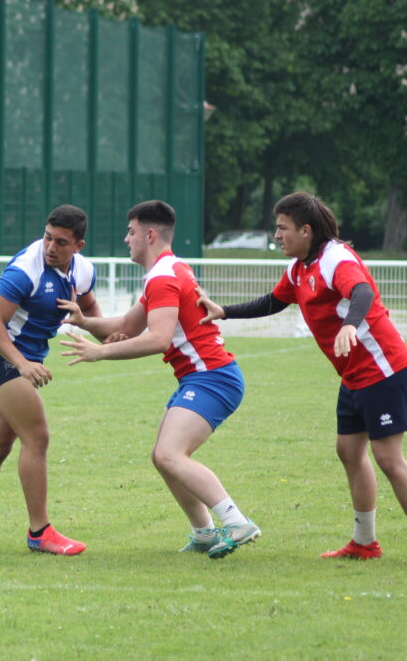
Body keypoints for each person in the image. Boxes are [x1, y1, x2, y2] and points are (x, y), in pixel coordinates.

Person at [195, 191, 407, 565]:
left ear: (306, 230)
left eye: (282, 228)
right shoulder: (299, 268)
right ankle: (364, 542)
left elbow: (360, 292)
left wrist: (350, 326)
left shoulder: (335, 258)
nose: (277, 235)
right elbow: (273, 302)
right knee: (348, 452)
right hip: (355, 375)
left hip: (384, 368)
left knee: (388, 458)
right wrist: (224, 311)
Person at [60, 200, 260, 559]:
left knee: (170, 454)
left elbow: (157, 339)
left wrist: (98, 352)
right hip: (203, 378)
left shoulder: (165, 276)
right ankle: (203, 533)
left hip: (212, 378)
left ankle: (237, 521)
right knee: (162, 456)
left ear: (149, 234)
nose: (126, 239)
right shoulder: (167, 271)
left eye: (131, 232)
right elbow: (126, 326)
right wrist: (83, 321)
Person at [0, 204, 100, 555]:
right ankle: (40, 532)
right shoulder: (25, 270)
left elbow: (89, 309)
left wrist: (101, 334)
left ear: (78, 246)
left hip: (24, 360)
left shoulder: (84, 271)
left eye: (61, 242)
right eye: (47, 237)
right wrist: (23, 364)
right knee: (37, 437)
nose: (51, 247)